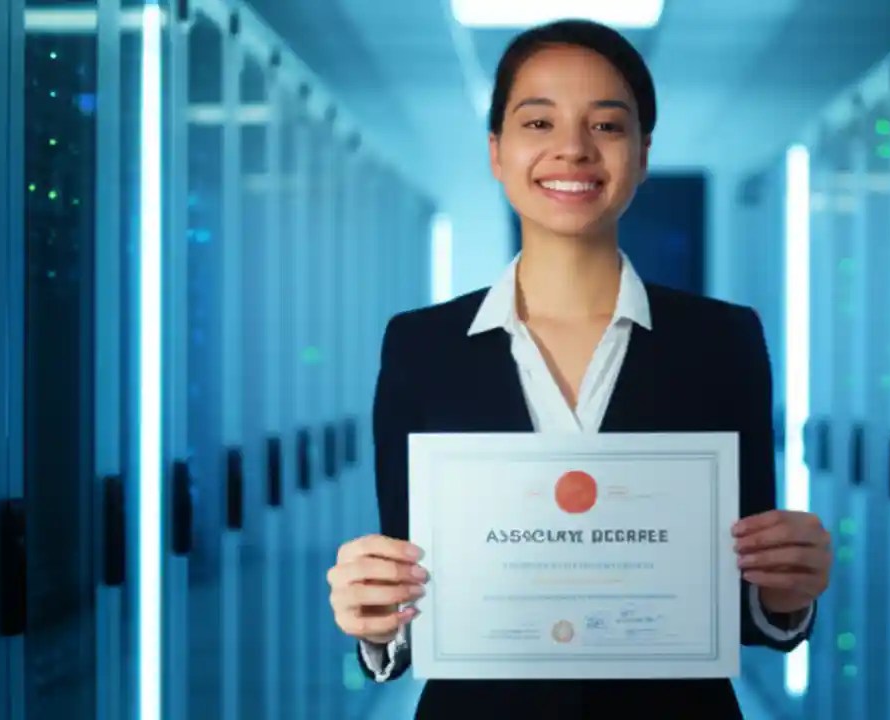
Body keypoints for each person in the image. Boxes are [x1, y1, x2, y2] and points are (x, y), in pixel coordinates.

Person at [326, 18, 833, 719]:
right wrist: (375, 617)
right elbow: (414, 606)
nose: (572, 148)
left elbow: (746, 603)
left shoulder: (723, 340)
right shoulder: (421, 346)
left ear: (643, 152)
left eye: (607, 125)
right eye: (538, 122)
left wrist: (787, 592)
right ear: (497, 152)